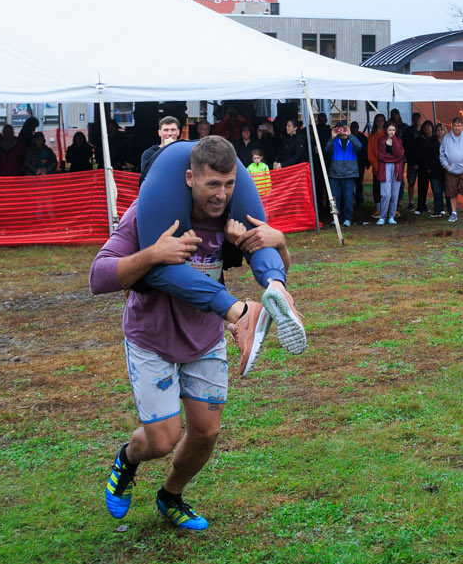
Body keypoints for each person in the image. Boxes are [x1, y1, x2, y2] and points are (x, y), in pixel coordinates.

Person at [89, 136, 304, 531]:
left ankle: (170, 496)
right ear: (189, 178)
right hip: (151, 338)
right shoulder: (148, 214)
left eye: (228, 185)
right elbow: (97, 276)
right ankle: (127, 459)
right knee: (161, 440)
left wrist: (281, 245)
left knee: (206, 433)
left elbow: (273, 262)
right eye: (211, 185)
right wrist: (152, 254)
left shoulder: (232, 219)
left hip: (203, 338)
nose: (221, 195)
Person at [439, 116, 463, 223]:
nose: (457, 128)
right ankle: (454, 213)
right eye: (455, 126)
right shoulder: (446, 137)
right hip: (451, 170)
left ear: (462, 126)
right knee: (451, 191)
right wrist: (447, 166)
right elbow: (441, 154)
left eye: (459, 126)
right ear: (452, 126)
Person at [323, 120, 362, 226]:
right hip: (335, 173)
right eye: (339, 128)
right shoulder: (334, 140)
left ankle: (348, 218)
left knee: (348, 196)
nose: (341, 130)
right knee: (335, 197)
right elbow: (327, 150)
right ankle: (335, 217)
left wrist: (350, 136)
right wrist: (332, 137)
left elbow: (359, 147)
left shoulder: (352, 139)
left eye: (343, 128)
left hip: (350, 173)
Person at [373, 122, 405, 225]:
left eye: (393, 130)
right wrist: (393, 158)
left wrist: (394, 140)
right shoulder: (381, 140)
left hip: (396, 168)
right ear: (386, 130)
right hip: (385, 168)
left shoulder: (398, 140)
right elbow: (381, 156)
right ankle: (382, 216)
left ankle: (391, 216)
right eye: (390, 130)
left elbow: (399, 154)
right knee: (385, 194)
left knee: (395, 194)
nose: (391, 132)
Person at [414, 119, 444, 216]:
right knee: (422, 188)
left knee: (437, 189)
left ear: (432, 128)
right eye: (425, 127)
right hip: (422, 167)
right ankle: (421, 207)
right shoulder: (419, 139)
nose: (427, 128)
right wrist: (416, 163)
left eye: (429, 127)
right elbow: (415, 153)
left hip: (435, 169)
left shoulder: (435, 140)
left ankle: (440, 208)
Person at [140, 116, 182, 184]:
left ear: (178, 132)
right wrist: (166, 150)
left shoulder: (184, 152)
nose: (169, 133)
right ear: (159, 133)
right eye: (166, 130)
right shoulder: (149, 154)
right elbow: (146, 175)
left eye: (173, 130)